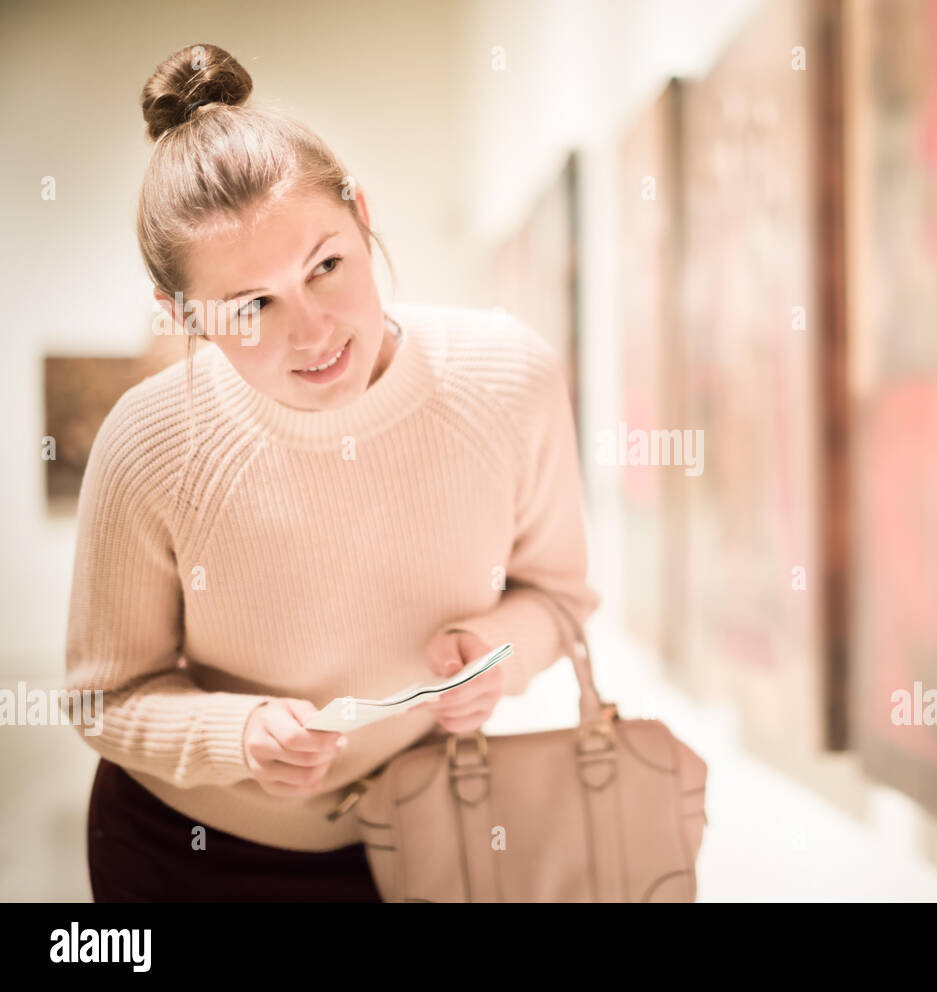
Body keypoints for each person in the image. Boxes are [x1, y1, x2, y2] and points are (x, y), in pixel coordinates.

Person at [65, 43, 601, 902]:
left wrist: (503, 658)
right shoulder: (150, 441)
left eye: (326, 266)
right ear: (177, 314)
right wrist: (235, 733)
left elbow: (559, 599)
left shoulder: (509, 379)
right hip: (184, 856)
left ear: (361, 212)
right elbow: (104, 698)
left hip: (422, 839)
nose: (314, 334)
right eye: (251, 308)